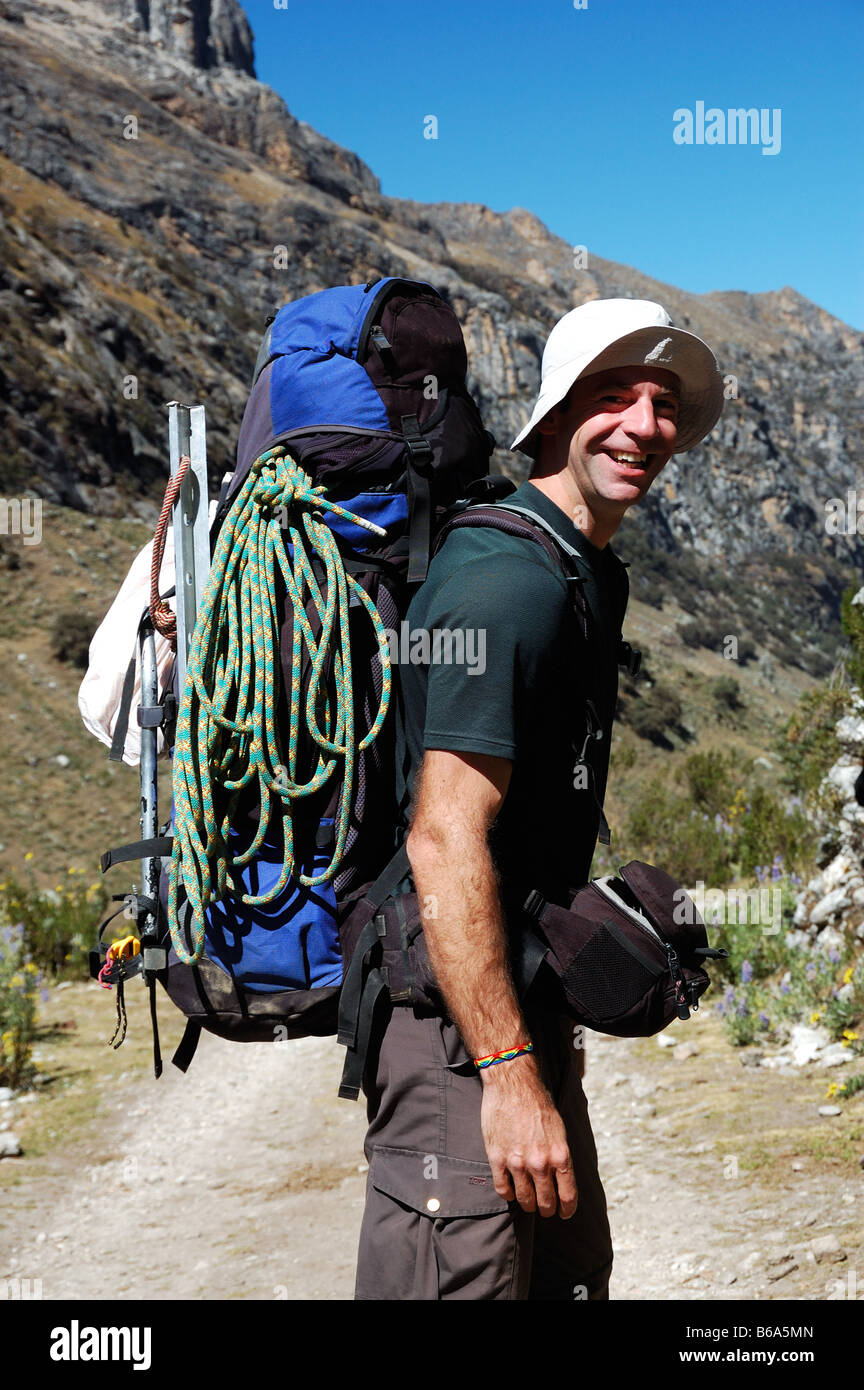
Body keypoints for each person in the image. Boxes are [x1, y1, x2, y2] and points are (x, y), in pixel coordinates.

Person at [353, 298, 725, 1301]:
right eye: (615, 396)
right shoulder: (506, 584)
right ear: (558, 415)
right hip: (455, 1042)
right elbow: (443, 838)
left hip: (518, 1016)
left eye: (662, 404)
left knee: (567, 1278)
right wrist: (511, 1074)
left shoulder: (588, 573)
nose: (645, 425)